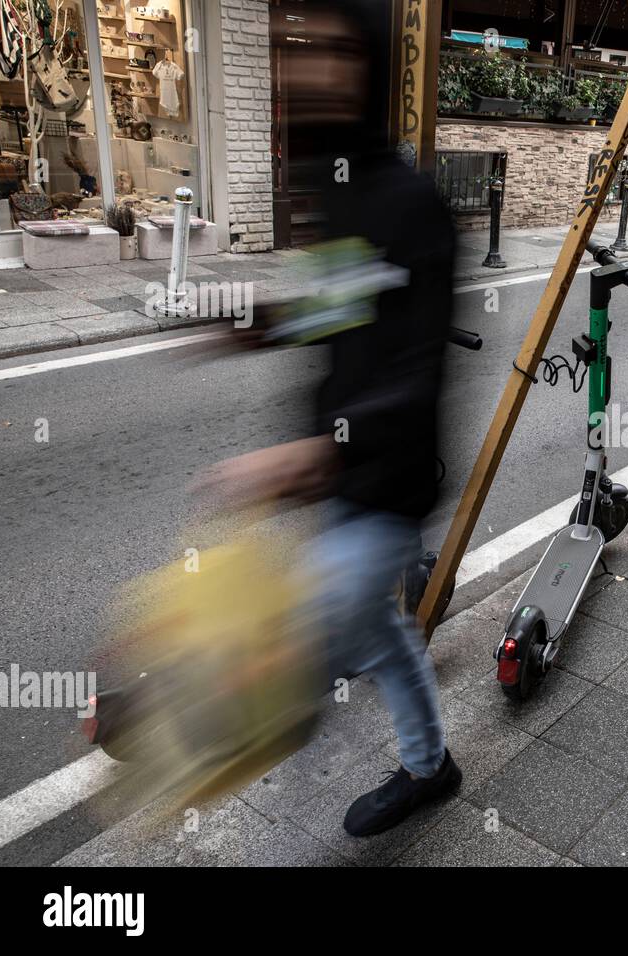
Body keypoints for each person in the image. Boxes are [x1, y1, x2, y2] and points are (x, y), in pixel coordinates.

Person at [197, 0, 460, 838]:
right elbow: (340, 312)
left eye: (334, 52)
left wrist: (312, 453)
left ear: (373, 66)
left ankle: (182, 705)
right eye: (297, 49)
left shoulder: (414, 202)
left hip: (389, 483)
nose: (311, 69)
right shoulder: (333, 190)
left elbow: (419, 371)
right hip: (341, 480)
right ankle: (432, 768)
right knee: (382, 640)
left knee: (300, 664)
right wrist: (264, 323)